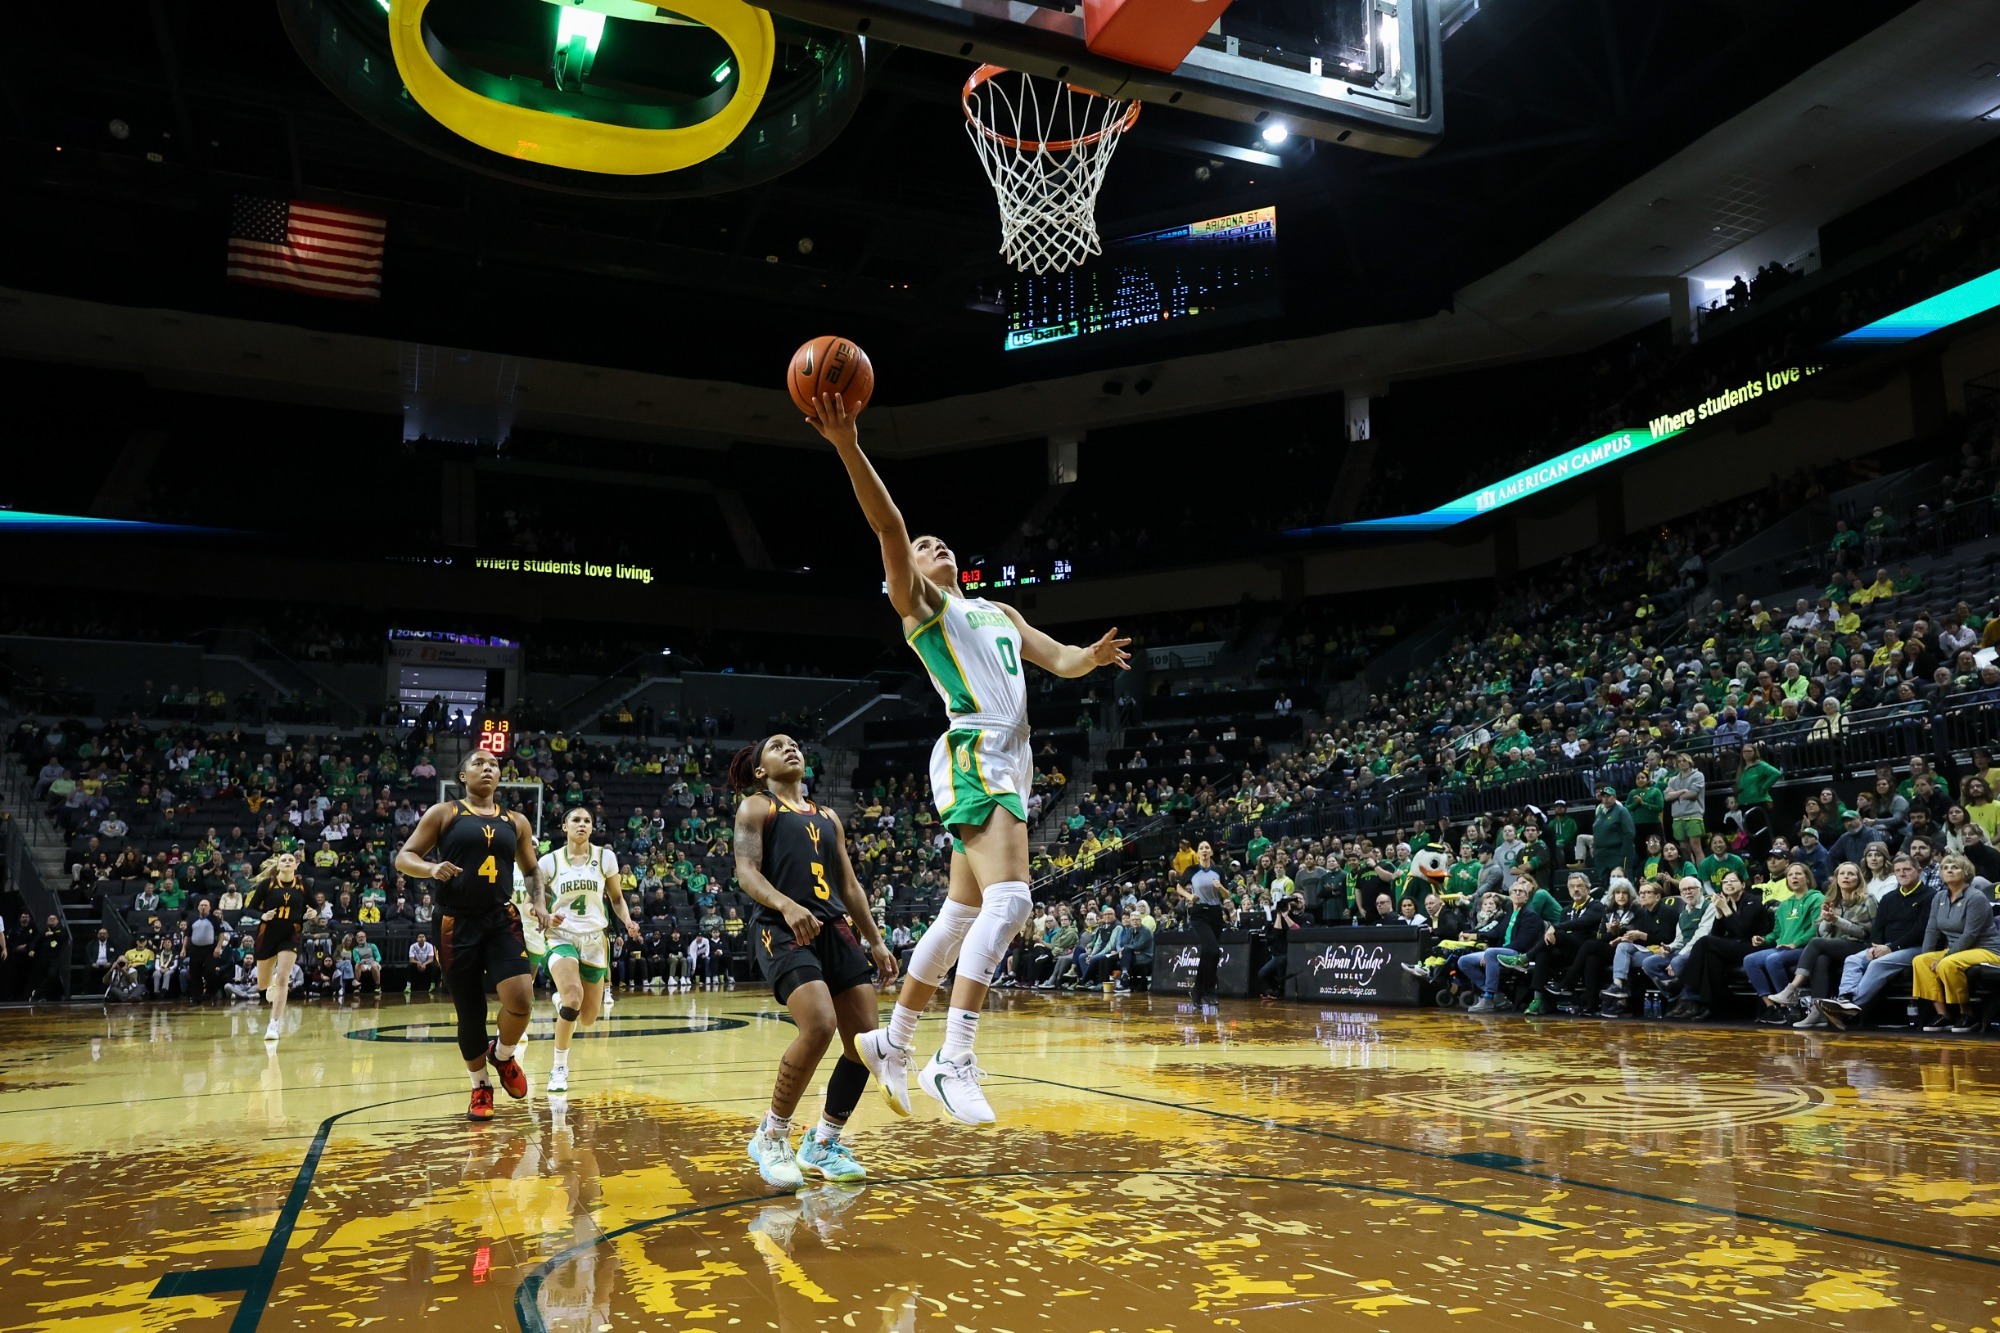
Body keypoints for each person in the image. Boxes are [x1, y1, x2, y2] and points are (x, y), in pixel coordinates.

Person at [814, 391, 1130, 1129]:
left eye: (942, 543)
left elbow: (1058, 657)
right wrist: (848, 445)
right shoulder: (923, 605)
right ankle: (951, 1054)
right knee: (1012, 901)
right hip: (975, 745)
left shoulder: (1000, 612)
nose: (935, 546)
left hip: (1010, 754)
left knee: (961, 911)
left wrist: (1094, 655)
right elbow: (888, 524)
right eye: (925, 546)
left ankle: (892, 1041)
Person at [733, 735, 899, 1188]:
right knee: (820, 1025)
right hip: (780, 926)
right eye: (777, 746)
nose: (790, 749)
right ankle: (771, 1135)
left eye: (794, 745)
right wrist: (786, 906)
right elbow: (745, 871)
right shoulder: (757, 807)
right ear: (761, 770)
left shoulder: (827, 817)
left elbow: (849, 886)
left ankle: (823, 1141)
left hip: (833, 928)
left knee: (866, 1043)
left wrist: (877, 941)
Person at [394, 750, 551, 1123]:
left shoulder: (516, 821)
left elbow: (531, 871)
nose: (488, 768)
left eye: (494, 765)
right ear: (462, 775)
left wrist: (539, 903)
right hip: (454, 922)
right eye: (479, 763)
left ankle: (503, 1055)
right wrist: (431, 868)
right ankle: (480, 1085)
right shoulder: (444, 813)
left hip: (501, 917)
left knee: (522, 999)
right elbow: (405, 857)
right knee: (471, 1012)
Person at [537, 808, 642, 1095]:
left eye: (587, 821)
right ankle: (559, 1068)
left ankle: (567, 1002)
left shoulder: (605, 858)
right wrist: (545, 914)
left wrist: (628, 921)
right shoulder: (549, 862)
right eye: (576, 820)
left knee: (588, 1017)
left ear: (592, 828)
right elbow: (536, 897)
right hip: (561, 935)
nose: (582, 825)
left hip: (595, 939)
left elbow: (617, 898)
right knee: (572, 998)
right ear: (564, 827)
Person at [1819, 854, 1938, 1028]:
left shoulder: (1930, 896)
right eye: (1898, 871)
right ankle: (1844, 998)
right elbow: (1877, 927)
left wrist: (1891, 947)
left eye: (1907, 869)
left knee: (1877, 964)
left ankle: (1851, 1008)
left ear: (1918, 871)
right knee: (1853, 959)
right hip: (1886, 947)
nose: (1902, 874)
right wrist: (1874, 946)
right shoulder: (1889, 897)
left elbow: (1921, 930)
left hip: (1915, 948)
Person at [1908, 852, 2000, 1033]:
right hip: (1957, 949)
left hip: (1986, 949)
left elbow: (1970, 935)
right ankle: (1943, 1014)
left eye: (1955, 867)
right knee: (1920, 961)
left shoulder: (1976, 898)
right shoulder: (1939, 897)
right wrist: (1927, 954)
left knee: (1948, 964)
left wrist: (1945, 957)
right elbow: (1932, 930)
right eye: (1945, 868)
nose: (1949, 870)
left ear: (1965, 872)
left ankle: (1967, 1013)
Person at [1669, 870, 1770, 1022]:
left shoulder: (1753, 901)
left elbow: (1743, 932)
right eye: (1725, 882)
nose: (1728, 884)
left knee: (1704, 941)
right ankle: (1711, 1007)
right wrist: (1718, 914)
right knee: (1710, 957)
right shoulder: (1726, 903)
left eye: (1732, 881)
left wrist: (1726, 909)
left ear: (1742, 885)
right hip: (1734, 947)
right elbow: (1716, 935)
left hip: (1753, 946)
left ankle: (1685, 982)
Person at [1455, 876, 1547, 1014]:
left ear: (1527, 897)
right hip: (1502, 951)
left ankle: (1488, 998)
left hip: (1518, 954)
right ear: (1510, 896)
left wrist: (1493, 952)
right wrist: (1474, 935)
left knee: (1491, 953)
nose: (1517, 893)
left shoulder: (1530, 915)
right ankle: (1497, 994)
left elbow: (1522, 943)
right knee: (1463, 961)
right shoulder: (1510, 911)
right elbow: (1497, 932)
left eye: (1520, 891)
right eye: (1514, 891)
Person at [248, 853, 310, 1043]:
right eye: (284, 860)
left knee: (284, 978)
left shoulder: (303, 885)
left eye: (291, 860)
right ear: (278, 865)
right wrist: (263, 915)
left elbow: (313, 906)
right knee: (263, 985)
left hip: (290, 935)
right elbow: (249, 908)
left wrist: (312, 912)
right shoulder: (267, 885)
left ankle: (274, 1024)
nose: (287, 862)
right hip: (267, 934)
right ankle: (272, 981)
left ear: (296, 866)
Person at [1174, 841, 1229, 1005]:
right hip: (1199, 914)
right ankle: (1209, 991)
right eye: (1201, 848)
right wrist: (1190, 897)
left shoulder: (1218, 870)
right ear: (1197, 853)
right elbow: (1178, 887)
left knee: (1210, 953)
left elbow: (1226, 896)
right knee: (1212, 950)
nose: (1204, 850)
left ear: (1211, 852)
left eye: (1207, 848)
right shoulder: (1192, 870)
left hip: (1216, 913)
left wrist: (1220, 887)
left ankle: (1199, 991)